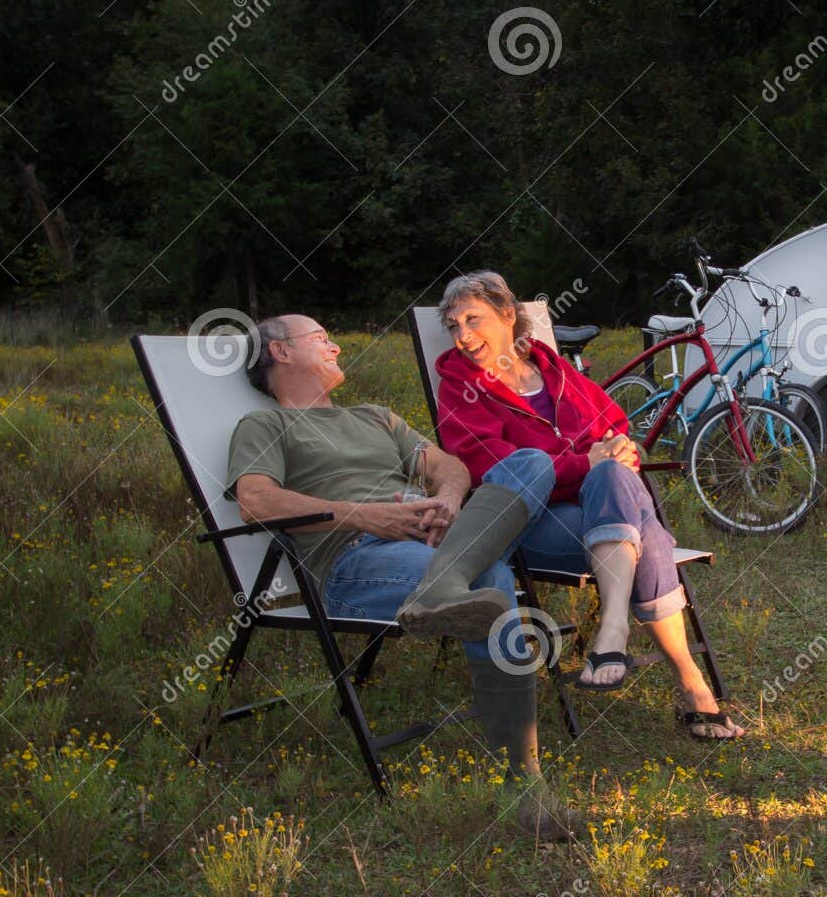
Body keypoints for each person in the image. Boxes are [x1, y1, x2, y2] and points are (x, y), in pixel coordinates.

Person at [225, 313, 579, 838]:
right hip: (357, 559)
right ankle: (524, 784)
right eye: (322, 338)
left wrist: (447, 501)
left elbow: (449, 465)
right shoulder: (266, 425)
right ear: (279, 352)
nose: (337, 347)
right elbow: (255, 500)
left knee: (531, 461)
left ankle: (447, 578)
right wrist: (365, 515)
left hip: (434, 540)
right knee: (491, 583)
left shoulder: (375, 416)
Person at [432, 271, 744, 740]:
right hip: (532, 520)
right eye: (453, 325)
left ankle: (614, 630)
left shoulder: (552, 369)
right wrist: (586, 464)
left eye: (472, 319)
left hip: (601, 510)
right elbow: (488, 466)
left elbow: (614, 423)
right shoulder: (461, 387)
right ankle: (690, 682)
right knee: (643, 526)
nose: (462, 335)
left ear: (508, 315)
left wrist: (622, 452)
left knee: (616, 477)